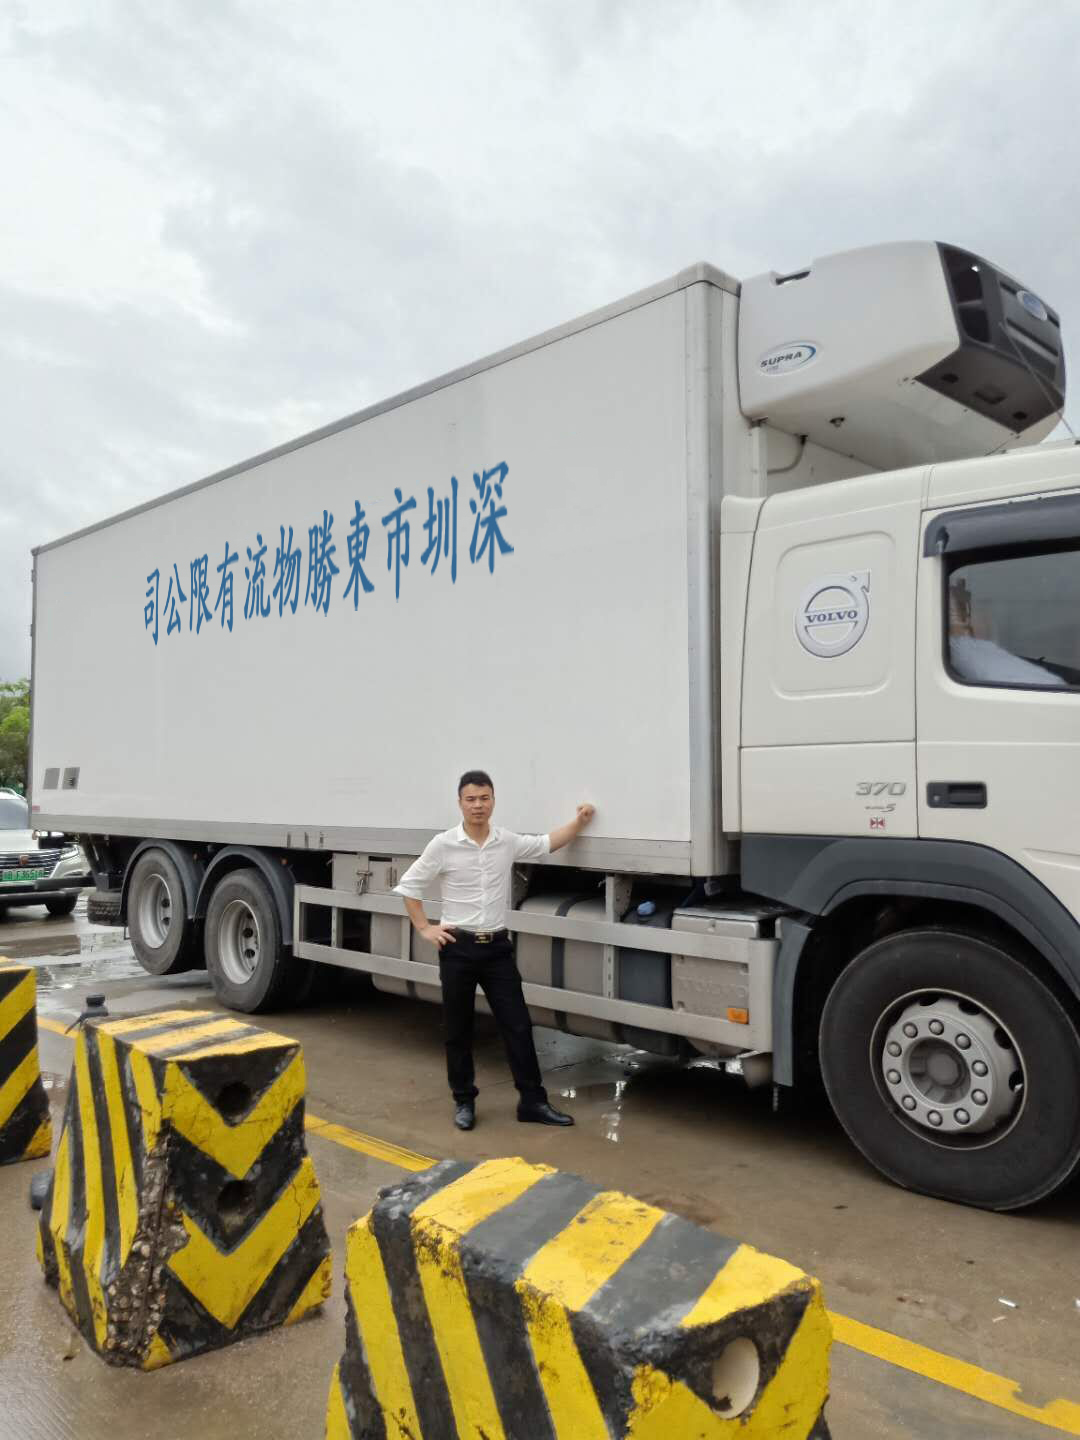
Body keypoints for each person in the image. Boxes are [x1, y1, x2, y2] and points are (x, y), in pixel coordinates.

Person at [394, 770, 596, 1131]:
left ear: (493, 800)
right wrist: (425, 927)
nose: (478, 805)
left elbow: (547, 843)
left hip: (497, 948)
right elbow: (410, 886)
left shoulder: (506, 841)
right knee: (458, 1028)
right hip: (458, 947)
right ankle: (464, 1101)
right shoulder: (443, 844)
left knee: (517, 1025)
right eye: (470, 799)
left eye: (484, 798)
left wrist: (578, 823)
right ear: (460, 803)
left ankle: (532, 1101)